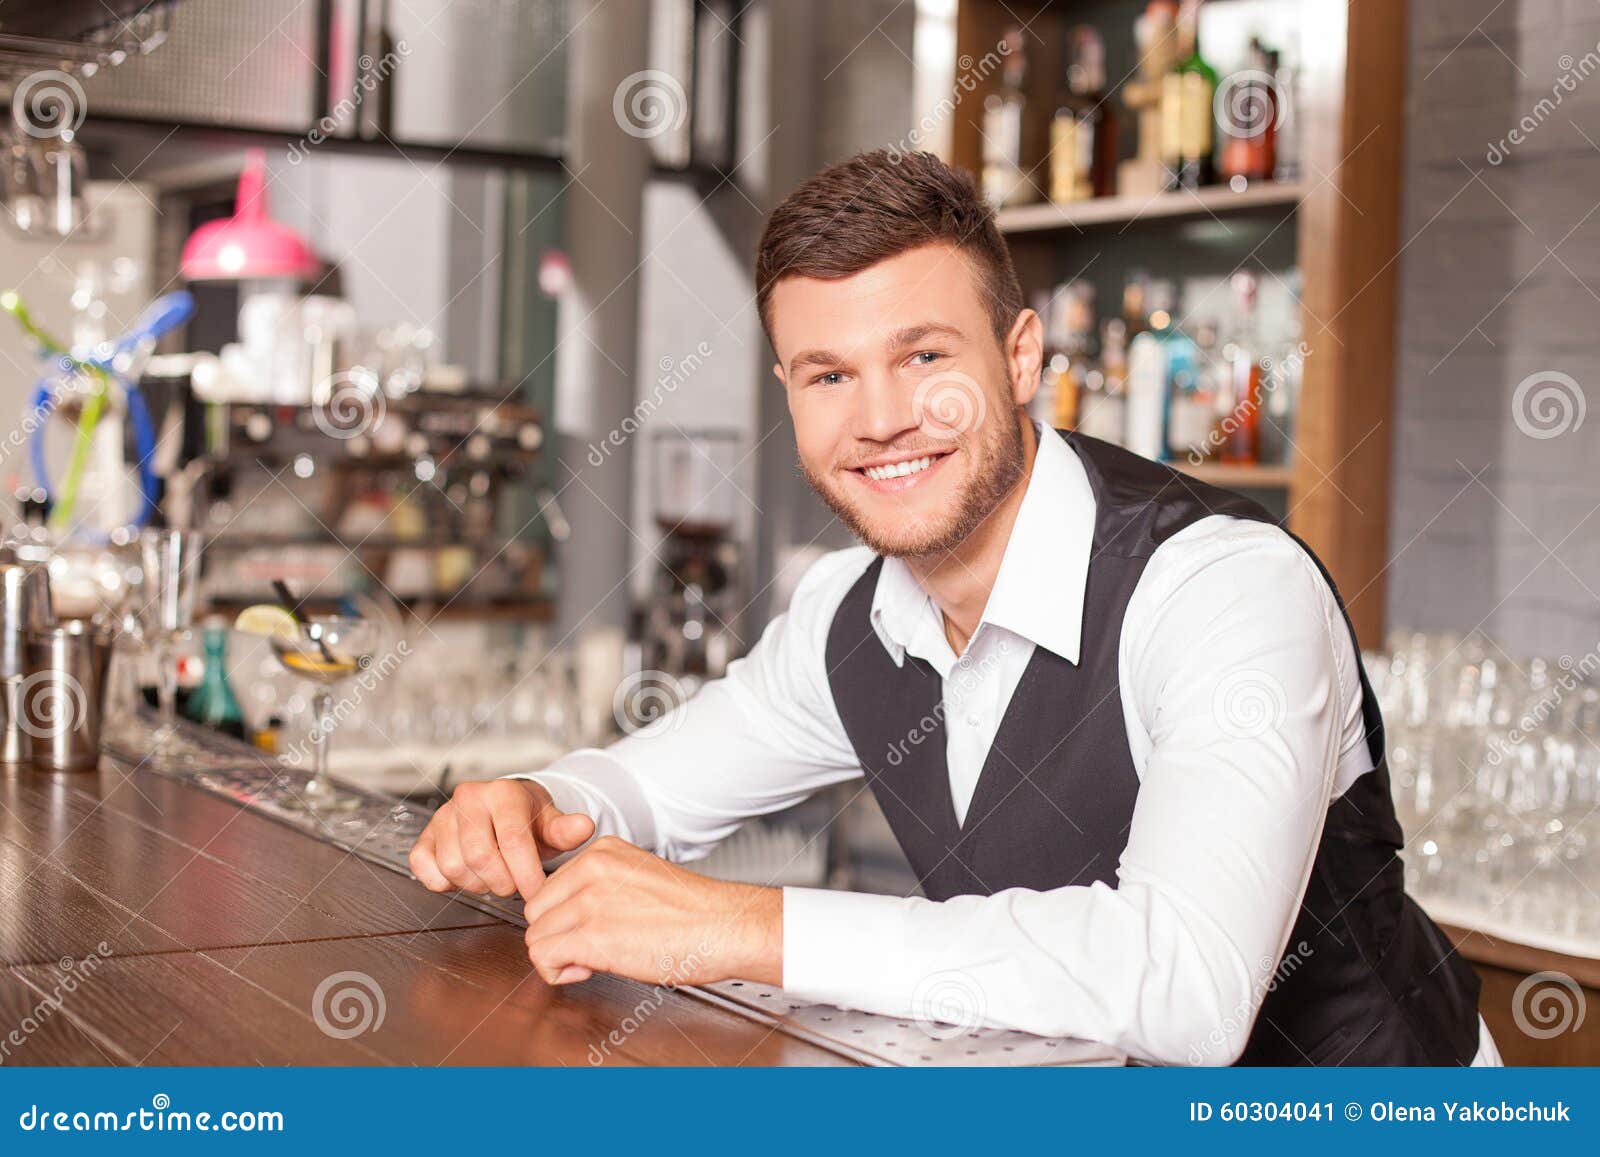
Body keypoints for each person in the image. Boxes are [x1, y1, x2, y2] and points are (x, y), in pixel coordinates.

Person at [409, 149, 1494, 1066]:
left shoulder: (1218, 585)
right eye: (827, 375)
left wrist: (744, 926)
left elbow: (1189, 982)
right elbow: (641, 787)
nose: (880, 419)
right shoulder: (847, 615)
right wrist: (530, 798)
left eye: (923, 357)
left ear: (1020, 357)